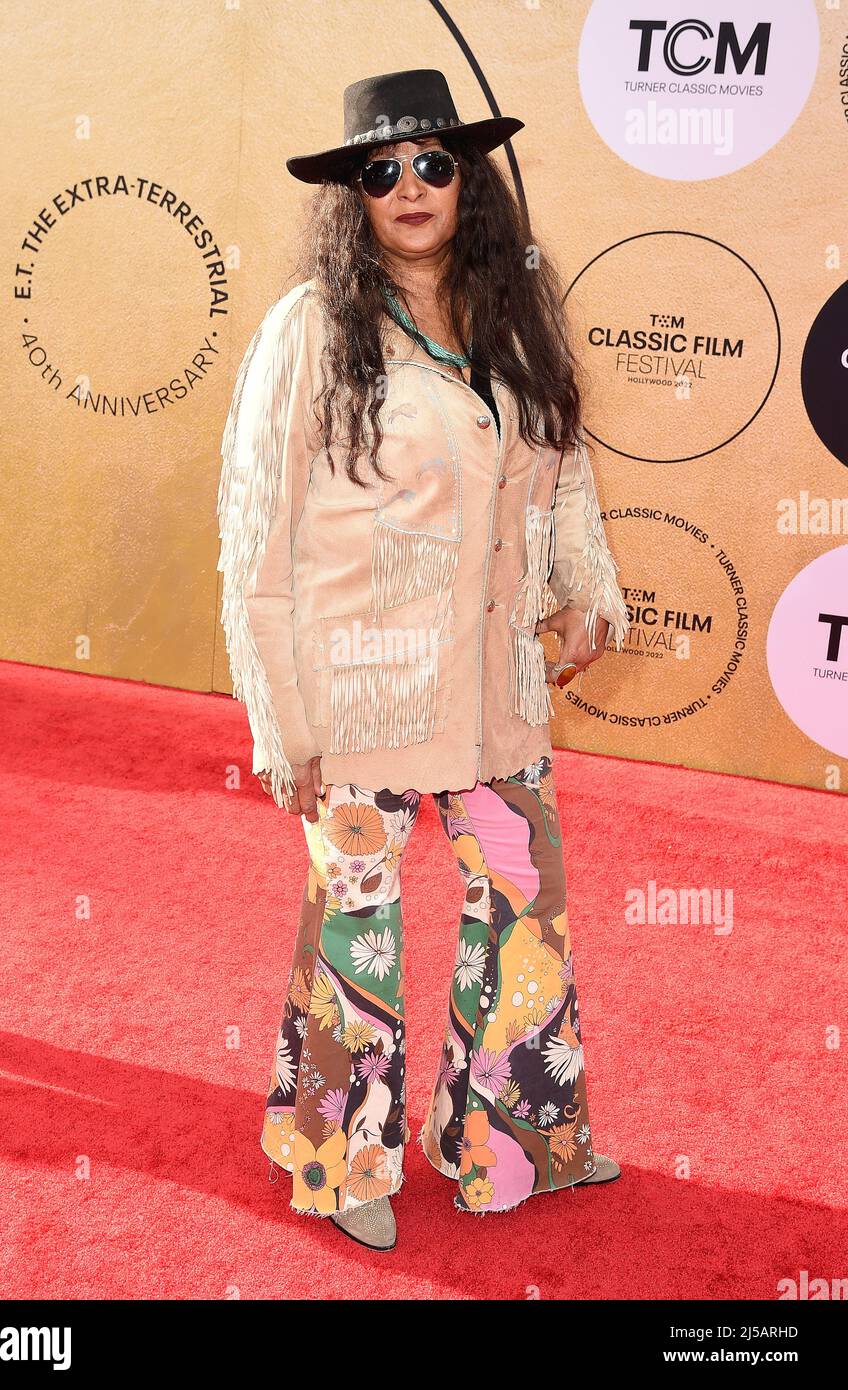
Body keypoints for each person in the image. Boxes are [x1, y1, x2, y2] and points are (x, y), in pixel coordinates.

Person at [217, 69, 629, 1251]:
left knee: (524, 908)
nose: (409, 186)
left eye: (434, 163)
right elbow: (256, 531)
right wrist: (277, 715)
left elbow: (565, 468)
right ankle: (342, 1157)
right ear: (354, 192)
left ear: (470, 181)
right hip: (357, 691)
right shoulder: (310, 327)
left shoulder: (513, 315)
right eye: (381, 169)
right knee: (360, 932)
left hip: (492, 684)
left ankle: (508, 1144)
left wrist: (581, 587)